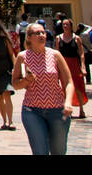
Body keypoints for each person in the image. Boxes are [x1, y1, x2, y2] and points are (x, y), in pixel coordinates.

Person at [13, 22, 75, 155]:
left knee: (59, 151)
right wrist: (26, 81)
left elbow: (68, 82)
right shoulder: (22, 57)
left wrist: (68, 102)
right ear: (29, 37)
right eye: (37, 33)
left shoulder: (55, 55)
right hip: (32, 110)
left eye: (43, 32)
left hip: (57, 110)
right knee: (40, 151)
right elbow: (15, 84)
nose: (41, 35)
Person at [56, 19, 89, 118]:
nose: (65, 26)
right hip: (63, 64)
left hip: (74, 64)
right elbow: (56, 53)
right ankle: (67, 109)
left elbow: (82, 54)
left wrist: (83, 67)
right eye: (63, 24)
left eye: (67, 24)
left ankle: (81, 110)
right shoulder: (58, 38)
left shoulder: (76, 38)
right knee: (65, 87)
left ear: (71, 26)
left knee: (78, 87)